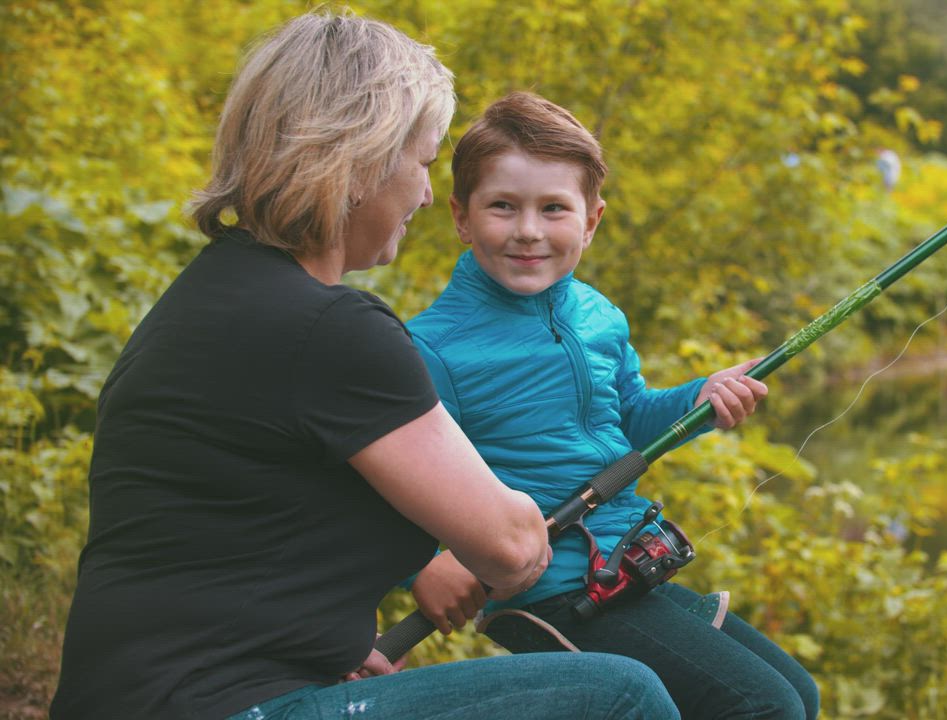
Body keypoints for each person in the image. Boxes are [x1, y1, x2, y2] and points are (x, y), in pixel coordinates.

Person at [50, 13, 678, 720]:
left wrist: (320, 646)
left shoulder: (208, 296)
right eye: (421, 162)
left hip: (152, 695)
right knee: (623, 694)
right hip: (221, 707)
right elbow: (513, 550)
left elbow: (223, 544)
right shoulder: (332, 329)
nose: (420, 194)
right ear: (359, 163)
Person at [405, 92, 821, 720]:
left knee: (799, 695)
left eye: (553, 208)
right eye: (502, 207)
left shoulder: (599, 316)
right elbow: (395, 482)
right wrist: (424, 565)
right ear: (462, 217)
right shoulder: (433, 347)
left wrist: (700, 399)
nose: (528, 230)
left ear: (591, 220)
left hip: (626, 567)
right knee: (764, 707)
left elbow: (629, 422)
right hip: (547, 593)